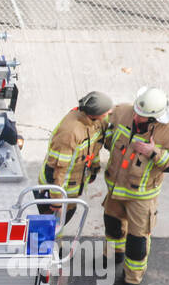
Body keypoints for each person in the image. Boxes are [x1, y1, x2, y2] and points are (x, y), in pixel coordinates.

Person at [100, 87, 169, 285]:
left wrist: (154, 153)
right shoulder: (123, 111)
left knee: (137, 241)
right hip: (115, 187)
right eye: (136, 110)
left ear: (155, 117)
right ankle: (114, 253)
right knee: (112, 224)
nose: (136, 116)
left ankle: (132, 279)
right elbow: (103, 126)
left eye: (142, 115)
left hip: (141, 197)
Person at [36, 90, 112, 224]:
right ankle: (49, 244)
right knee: (50, 228)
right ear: (96, 113)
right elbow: (56, 170)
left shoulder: (96, 123)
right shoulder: (69, 132)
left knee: (61, 223)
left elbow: (95, 147)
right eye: (107, 111)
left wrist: (93, 169)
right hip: (55, 193)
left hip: (72, 191)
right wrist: (56, 201)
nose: (109, 113)